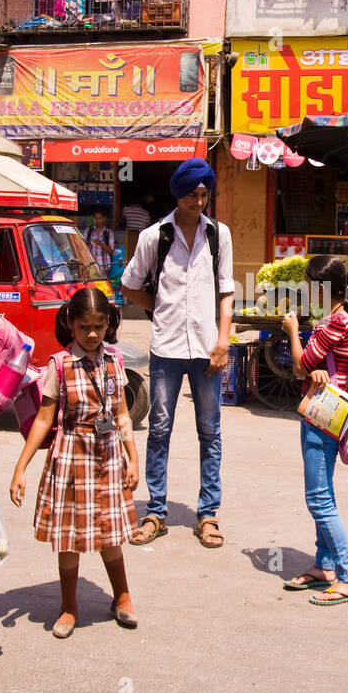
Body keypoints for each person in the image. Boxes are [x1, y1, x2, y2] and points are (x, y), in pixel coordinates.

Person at [10, 287, 141, 638]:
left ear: (109, 324)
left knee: (110, 533)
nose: (93, 334)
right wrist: (21, 467)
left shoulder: (115, 361)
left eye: (100, 325)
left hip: (109, 456)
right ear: (70, 323)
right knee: (68, 537)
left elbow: (123, 415)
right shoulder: (58, 365)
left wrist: (133, 460)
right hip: (70, 456)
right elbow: (43, 419)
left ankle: (122, 596)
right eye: (85, 327)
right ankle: (69, 607)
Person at [122, 159, 234, 549]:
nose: (199, 202)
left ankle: (208, 513)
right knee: (159, 429)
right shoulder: (155, 236)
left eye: (205, 195)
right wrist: (158, 308)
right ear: (178, 194)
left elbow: (226, 293)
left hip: (207, 349)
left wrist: (223, 341)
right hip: (166, 347)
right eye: (192, 195)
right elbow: (129, 286)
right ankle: (155, 511)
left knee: (210, 431)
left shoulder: (220, 235)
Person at [279, 255, 348, 606]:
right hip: (331, 412)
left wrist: (291, 331)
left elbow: (302, 366)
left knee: (318, 498)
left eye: (308, 283)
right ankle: (325, 566)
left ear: (321, 286)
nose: (304, 289)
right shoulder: (338, 318)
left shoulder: (335, 322)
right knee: (324, 491)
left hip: (323, 416)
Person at [83, 208, 115, 276]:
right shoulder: (88, 231)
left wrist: (101, 244)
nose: (97, 220)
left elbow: (111, 251)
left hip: (104, 266)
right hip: (90, 266)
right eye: (96, 218)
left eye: (99, 218)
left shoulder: (108, 232)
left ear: (104, 219)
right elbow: (82, 247)